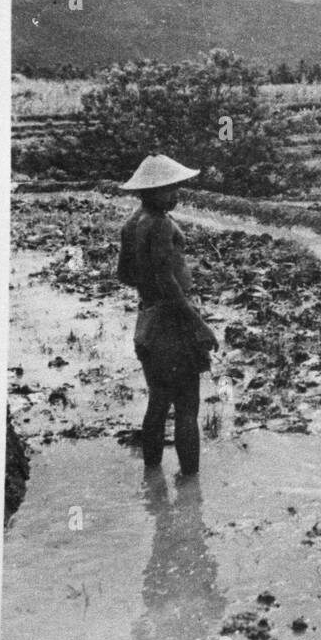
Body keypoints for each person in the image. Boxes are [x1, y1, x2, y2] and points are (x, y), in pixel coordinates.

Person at [117, 155, 218, 475]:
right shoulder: (160, 224)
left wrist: (152, 285)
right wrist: (199, 325)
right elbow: (167, 281)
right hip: (173, 324)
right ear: (151, 190)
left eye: (176, 186)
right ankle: (191, 488)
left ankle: (153, 478)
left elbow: (125, 275)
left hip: (148, 320)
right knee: (188, 409)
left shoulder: (132, 223)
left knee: (158, 403)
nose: (176, 194)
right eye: (169, 188)